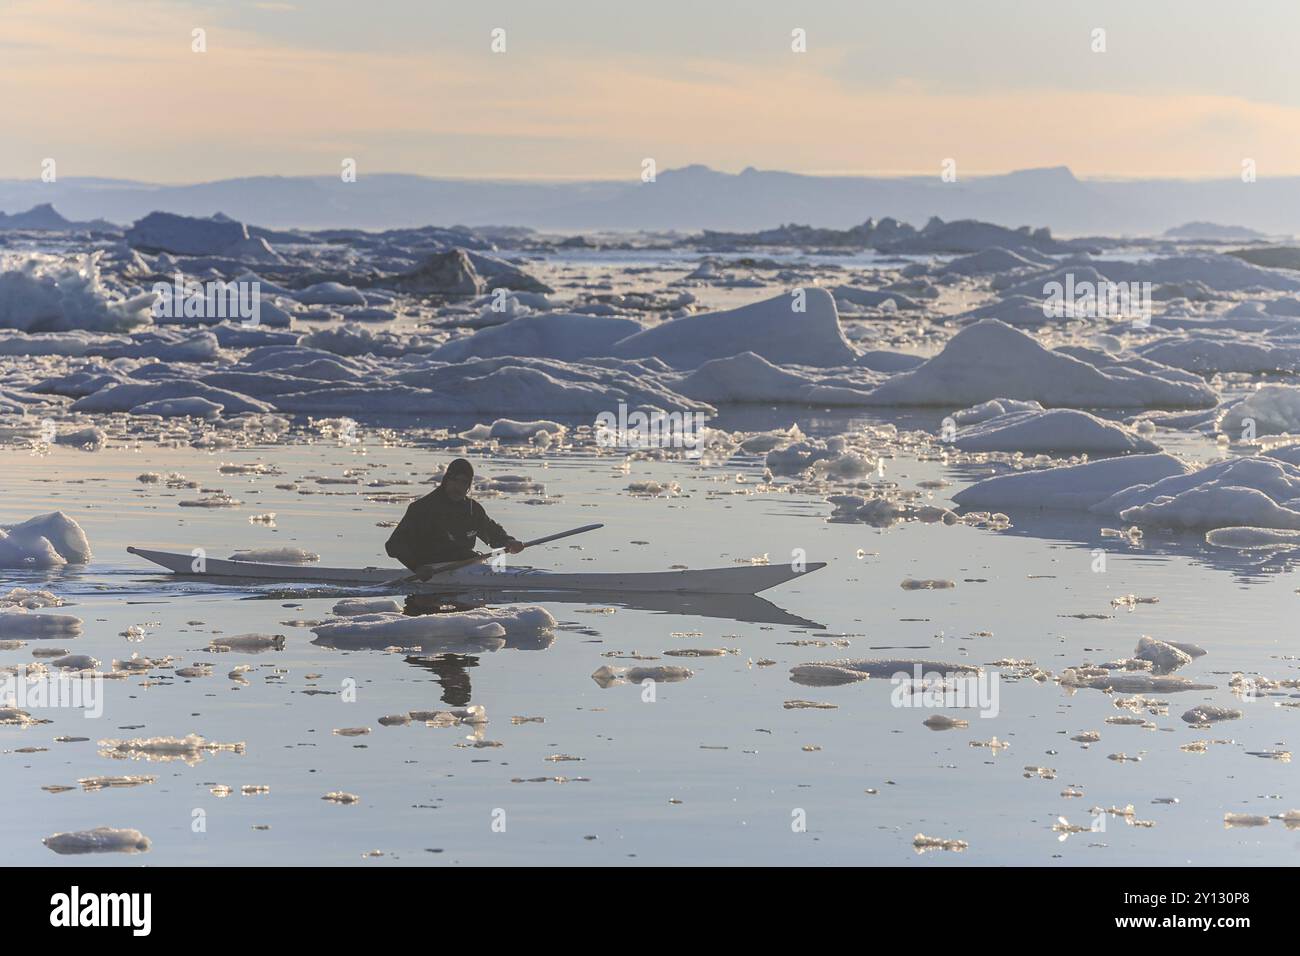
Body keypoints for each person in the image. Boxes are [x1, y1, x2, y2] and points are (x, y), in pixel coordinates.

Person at [385, 458, 524, 573]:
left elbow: (491, 531)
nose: (457, 487)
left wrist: (508, 541)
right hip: (432, 569)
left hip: (464, 566)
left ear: (469, 486)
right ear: (446, 480)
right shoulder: (423, 508)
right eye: (454, 480)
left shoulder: (472, 509)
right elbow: (394, 545)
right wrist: (416, 567)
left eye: (463, 482)